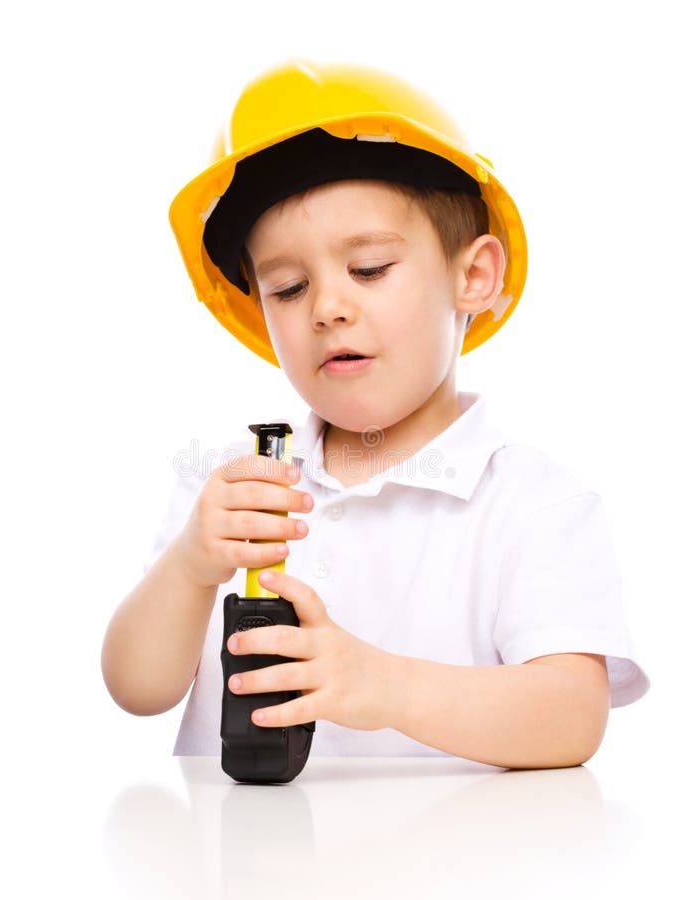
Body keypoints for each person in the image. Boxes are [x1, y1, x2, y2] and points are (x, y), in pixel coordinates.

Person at [101, 60, 650, 769]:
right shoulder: (235, 489)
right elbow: (136, 689)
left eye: (367, 270)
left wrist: (381, 684)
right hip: (242, 875)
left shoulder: (531, 502)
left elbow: (570, 719)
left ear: (472, 276)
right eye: (289, 287)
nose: (327, 307)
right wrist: (189, 566)